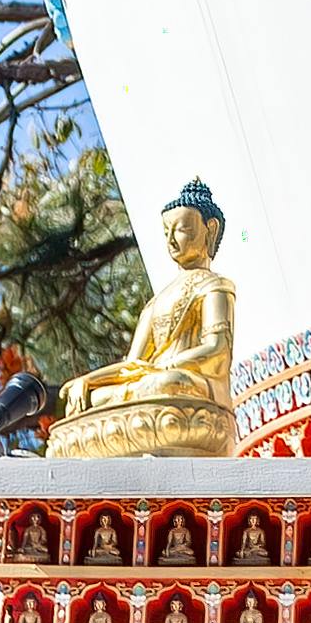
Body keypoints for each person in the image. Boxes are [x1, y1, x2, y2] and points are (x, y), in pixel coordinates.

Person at [48, 182, 236, 459]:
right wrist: (88, 380)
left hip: (189, 391)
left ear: (210, 230)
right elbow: (133, 365)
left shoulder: (215, 286)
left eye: (182, 229)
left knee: (166, 385)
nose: (171, 240)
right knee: (90, 401)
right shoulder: (156, 302)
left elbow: (217, 352)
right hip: (151, 392)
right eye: (166, 231)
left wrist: (162, 367)